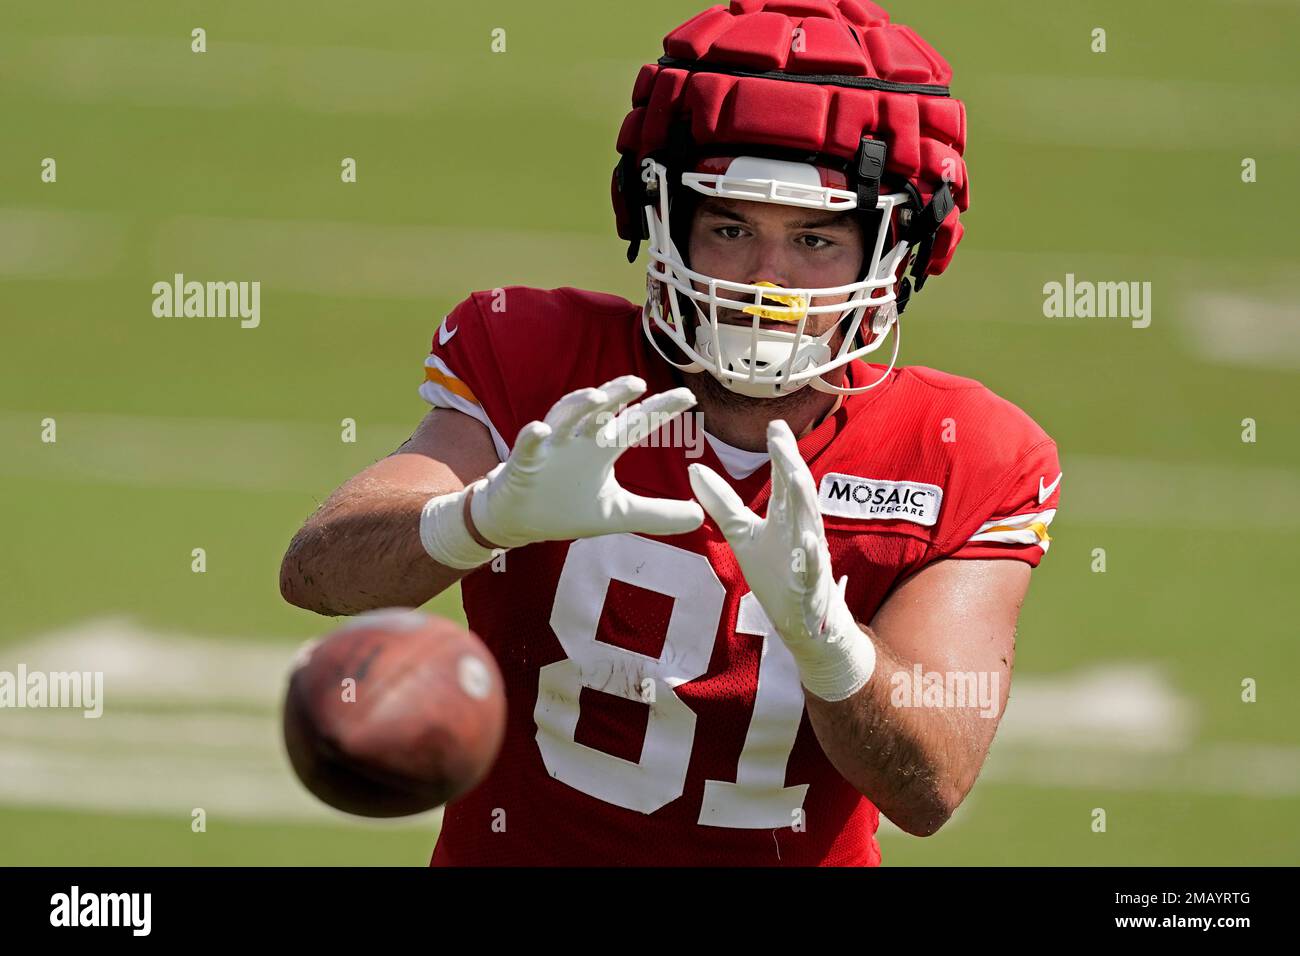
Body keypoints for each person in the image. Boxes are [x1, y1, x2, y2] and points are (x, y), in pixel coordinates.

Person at [280, 0, 1062, 866]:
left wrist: (827, 639)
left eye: (815, 238)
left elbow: (930, 790)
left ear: (895, 251)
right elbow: (318, 575)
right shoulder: (543, 361)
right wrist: (480, 517)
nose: (768, 280)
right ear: (659, 217)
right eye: (731, 228)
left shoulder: (964, 451)